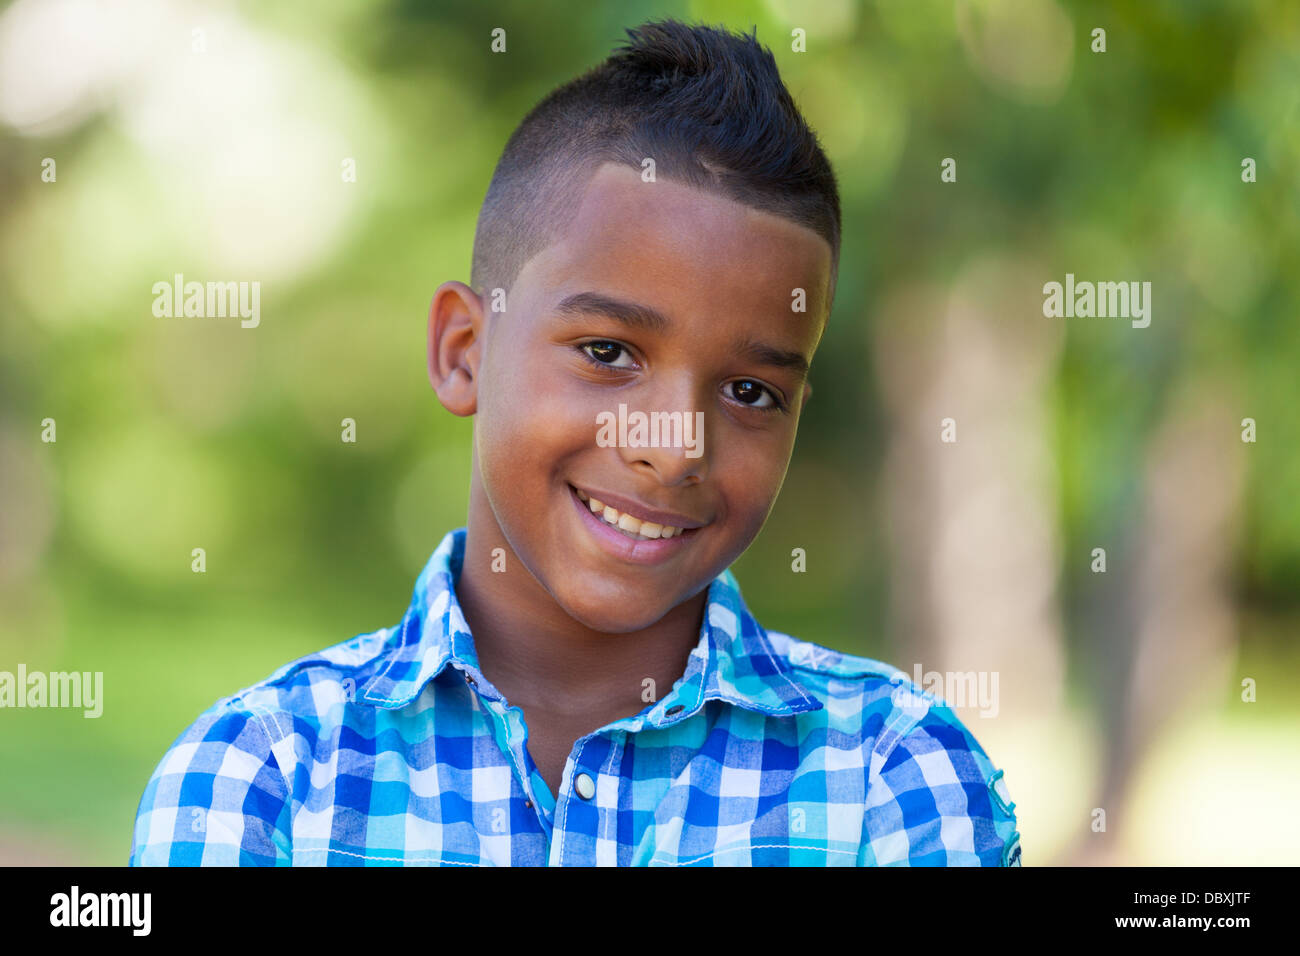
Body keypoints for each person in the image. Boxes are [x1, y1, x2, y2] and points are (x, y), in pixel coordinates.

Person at [130, 18, 1021, 866]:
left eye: (751, 391)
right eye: (608, 353)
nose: (674, 448)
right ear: (463, 353)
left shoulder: (895, 780)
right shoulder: (262, 779)